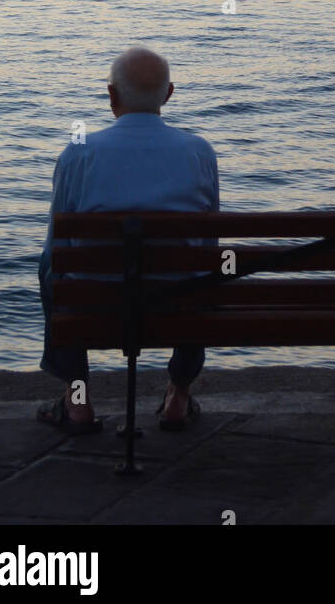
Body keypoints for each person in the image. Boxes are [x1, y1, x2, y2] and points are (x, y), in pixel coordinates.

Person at [37, 46, 219, 434]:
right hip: (174, 306)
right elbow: (209, 243)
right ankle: (178, 395)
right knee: (206, 271)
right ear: (169, 94)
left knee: (49, 266)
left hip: (95, 304)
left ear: (111, 95)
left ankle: (78, 399)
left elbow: (57, 250)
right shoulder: (199, 152)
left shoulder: (79, 152)